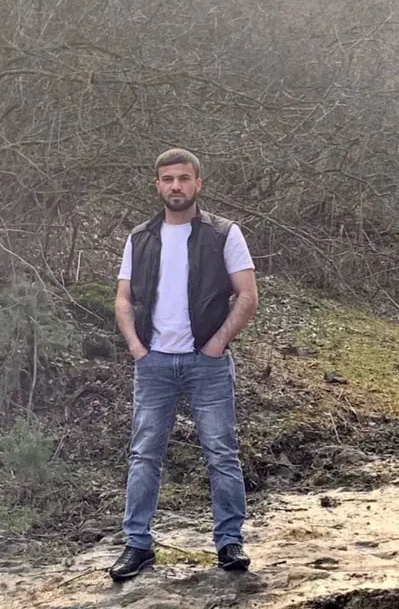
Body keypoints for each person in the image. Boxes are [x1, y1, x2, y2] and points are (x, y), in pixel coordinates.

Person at [109, 148, 258, 582]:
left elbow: (247, 295)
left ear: (198, 183)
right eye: (168, 179)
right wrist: (136, 347)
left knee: (221, 453)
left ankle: (229, 543)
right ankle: (138, 544)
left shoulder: (224, 233)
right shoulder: (140, 237)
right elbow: (123, 298)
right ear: (157, 184)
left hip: (206, 364)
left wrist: (216, 345)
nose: (176, 186)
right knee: (144, 454)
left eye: (184, 178)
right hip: (153, 362)